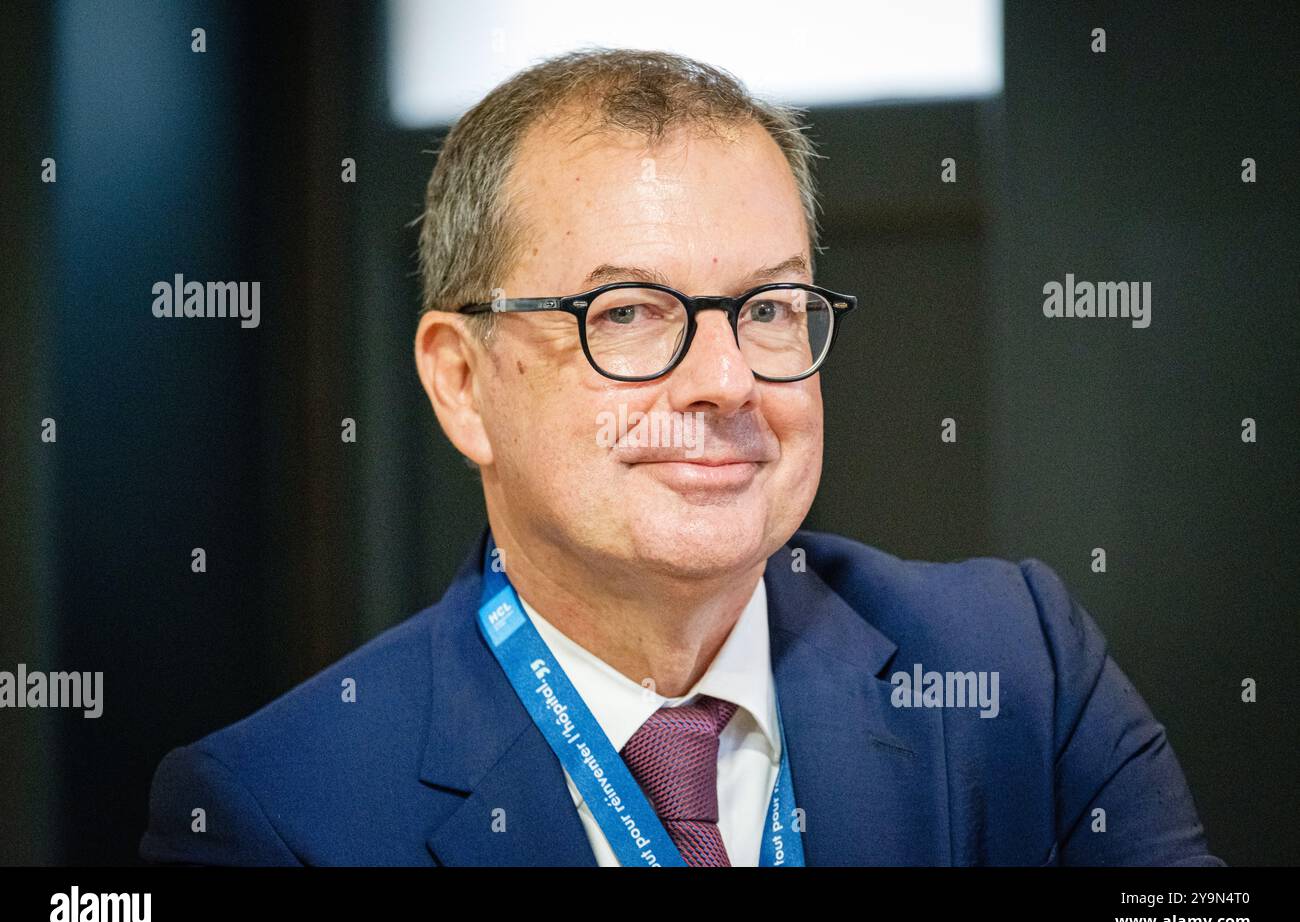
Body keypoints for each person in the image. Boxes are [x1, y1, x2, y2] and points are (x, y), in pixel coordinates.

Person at [139, 48, 1221, 867]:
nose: (726, 380)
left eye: (768, 307)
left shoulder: (1019, 670)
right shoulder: (279, 811)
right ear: (462, 382)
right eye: (627, 312)